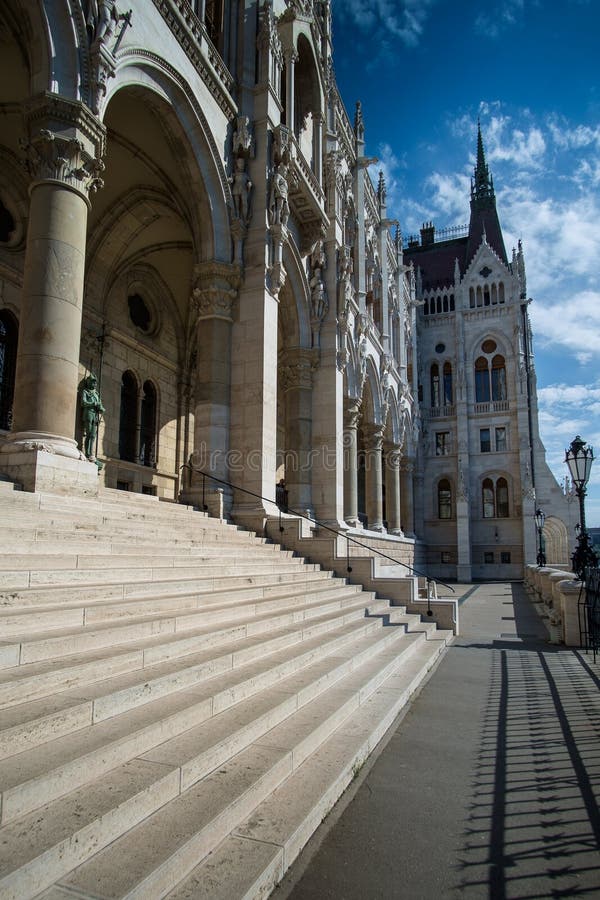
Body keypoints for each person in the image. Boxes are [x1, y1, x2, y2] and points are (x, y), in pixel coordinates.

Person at [80, 373, 105, 460]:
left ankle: (91, 453)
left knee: (93, 435)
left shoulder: (96, 394)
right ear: (89, 382)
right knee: (89, 433)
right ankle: (87, 453)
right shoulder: (85, 391)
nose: (94, 384)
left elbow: (100, 404)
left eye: (95, 383)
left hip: (95, 416)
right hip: (88, 414)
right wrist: (93, 403)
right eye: (93, 382)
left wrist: (101, 408)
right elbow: (83, 402)